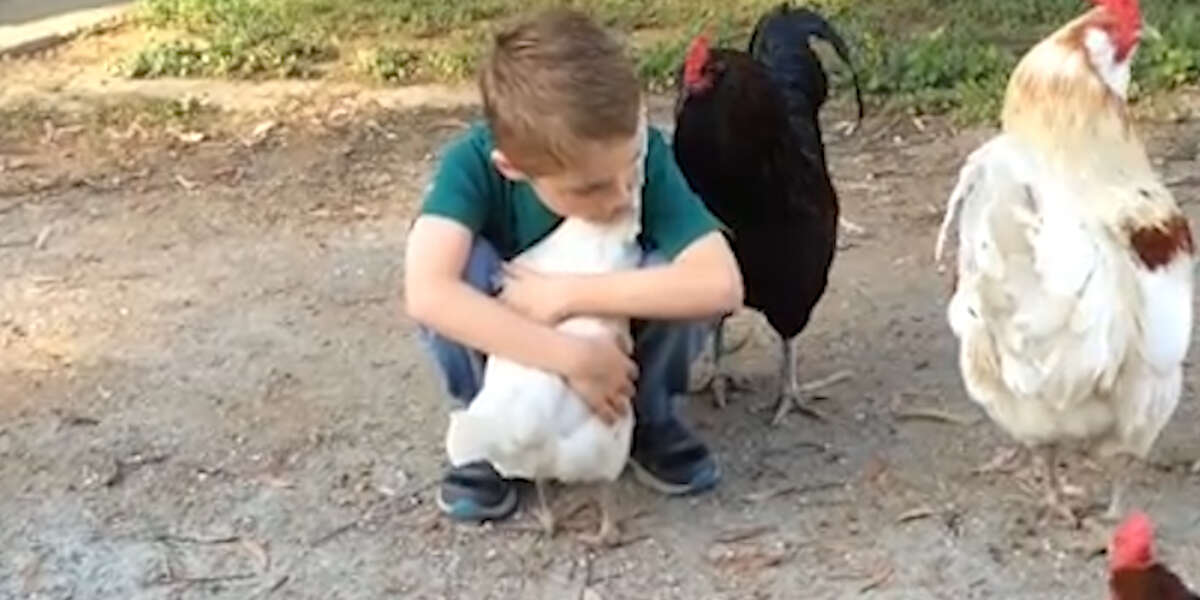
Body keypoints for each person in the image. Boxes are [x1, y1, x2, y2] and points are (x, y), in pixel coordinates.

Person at [403, 8, 743, 522]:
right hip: (514, 329)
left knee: (670, 275)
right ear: (511, 168)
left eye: (629, 167)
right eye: (590, 187)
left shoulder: (644, 153)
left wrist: (566, 297)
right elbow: (427, 292)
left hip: (600, 322)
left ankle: (650, 416)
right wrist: (572, 358)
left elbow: (721, 284)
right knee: (463, 270)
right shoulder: (470, 165)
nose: (621, 194)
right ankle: (488, 430)